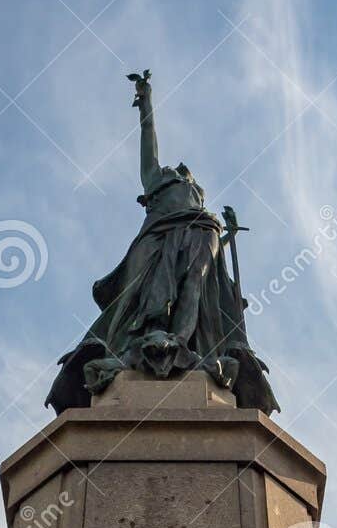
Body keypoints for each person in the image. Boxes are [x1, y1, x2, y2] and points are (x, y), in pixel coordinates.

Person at [46, 70, 277, 413]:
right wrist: (146, 104)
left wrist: (227, 235)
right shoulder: (156, 178)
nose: (179, 169)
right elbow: (149, 138)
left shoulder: (197, 195)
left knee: (197, 287)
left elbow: (209, 268)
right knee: (142, 291)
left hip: (203, 230)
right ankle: (140, 346)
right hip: (157, 233)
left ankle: (184, 346)